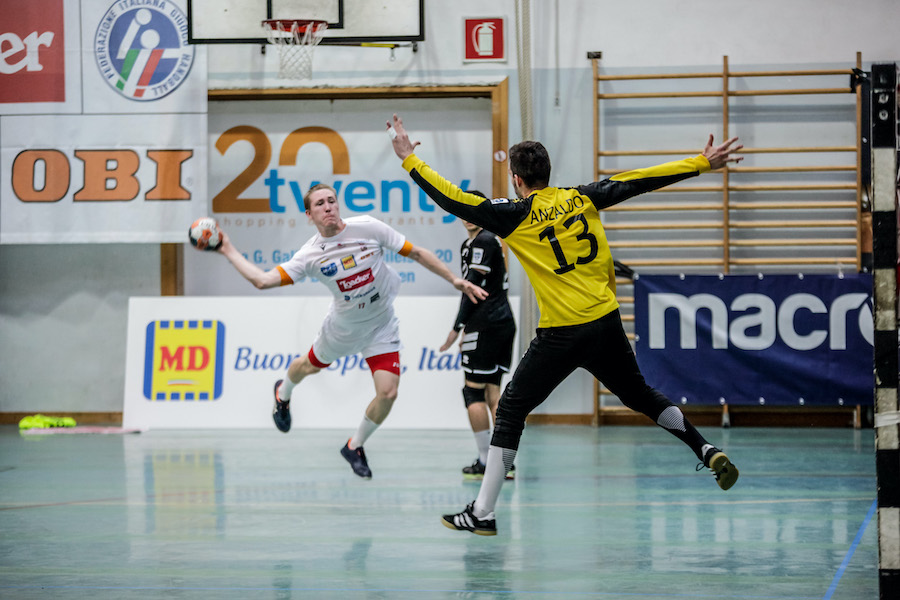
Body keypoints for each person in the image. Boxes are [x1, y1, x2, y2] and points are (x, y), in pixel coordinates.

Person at [387, 114, 743, 535]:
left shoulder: (515, 214)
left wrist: (410, 159)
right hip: (605, 323)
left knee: (512, 409)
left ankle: (482, 512)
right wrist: (701, 162)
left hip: (562, 333)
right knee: (642, 396)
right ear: (548, 172)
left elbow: (454, 200)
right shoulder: (582, 197)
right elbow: (638, 180)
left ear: (517, 179)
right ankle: (704, 448)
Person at [212, 183, 487, 479]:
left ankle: (354, 446)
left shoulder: (367, 227)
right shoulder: (310, 255)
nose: (328, 206)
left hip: (381, 325)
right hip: (343, 329)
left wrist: (453, 280)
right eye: (320, 204)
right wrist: (226, 248)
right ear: (309, 214)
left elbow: (417, 253)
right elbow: (262, 281)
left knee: (388, 393)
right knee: (308, 367)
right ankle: (283, 392)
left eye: (331, 200)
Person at [439, 192, 517, 481]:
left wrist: (457, 328)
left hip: (486, 324)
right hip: (501, 323)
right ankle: (504, 464)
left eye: (473, 210)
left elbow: (471, 290)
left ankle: (487, 462)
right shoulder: (480, 242)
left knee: (473, 391)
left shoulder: (483, 240)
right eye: (463, 210)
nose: (467, 216)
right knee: (493, 393)